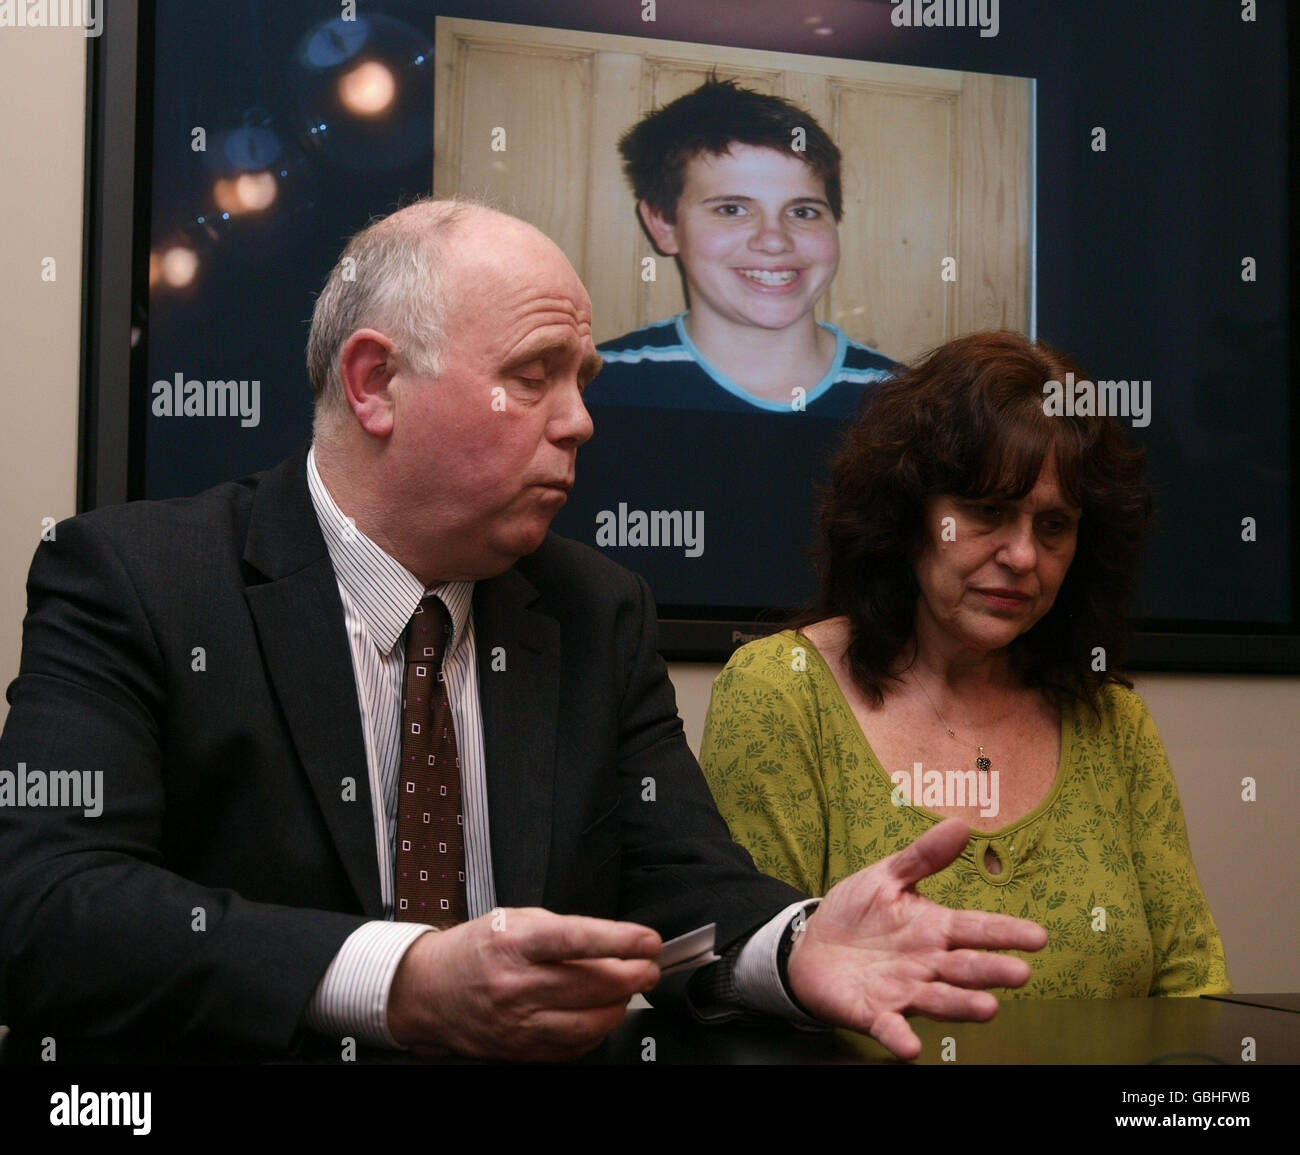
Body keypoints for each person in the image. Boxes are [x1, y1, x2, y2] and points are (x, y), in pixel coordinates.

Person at [0, 202, 1045, 1065]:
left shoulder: (594, 610)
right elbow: (48, 908)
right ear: (375, 385)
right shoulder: (142, 582)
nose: (581, 420)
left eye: (583, 379)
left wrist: (797, 942)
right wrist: (399, 980)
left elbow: (680, 886)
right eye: (535, 373)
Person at [701, 331, 1231, 1000]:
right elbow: (753, 986)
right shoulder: (783, 693)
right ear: (907, 513)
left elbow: (1193, 986)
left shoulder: (1113, 722)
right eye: (987, 512)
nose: (1022, 555)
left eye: (1054, 525)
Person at [551, 79, 893, 610]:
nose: (775, 240)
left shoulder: (909, 405)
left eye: (803, 210)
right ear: (662, 224)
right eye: (732, 209)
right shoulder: (587, 392)